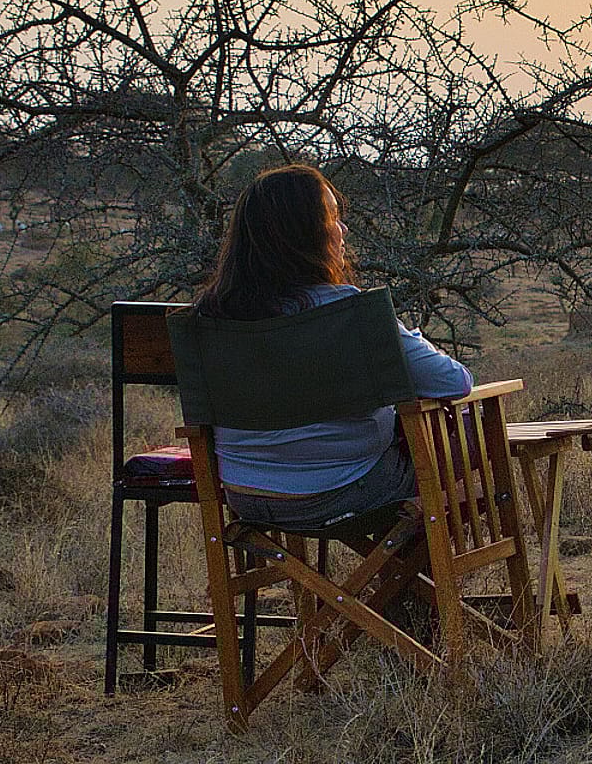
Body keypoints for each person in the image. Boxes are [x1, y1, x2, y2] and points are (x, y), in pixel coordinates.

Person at [194, 164, 473, 529]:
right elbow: (455, 382)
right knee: (475, 426)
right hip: (346, 490)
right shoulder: (350, 312)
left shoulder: (208, 317)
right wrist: (409, 336)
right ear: (305, 235)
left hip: (244, 496)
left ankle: (404, 560)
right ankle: (415, 557)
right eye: (333, 218)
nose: (343, 230)